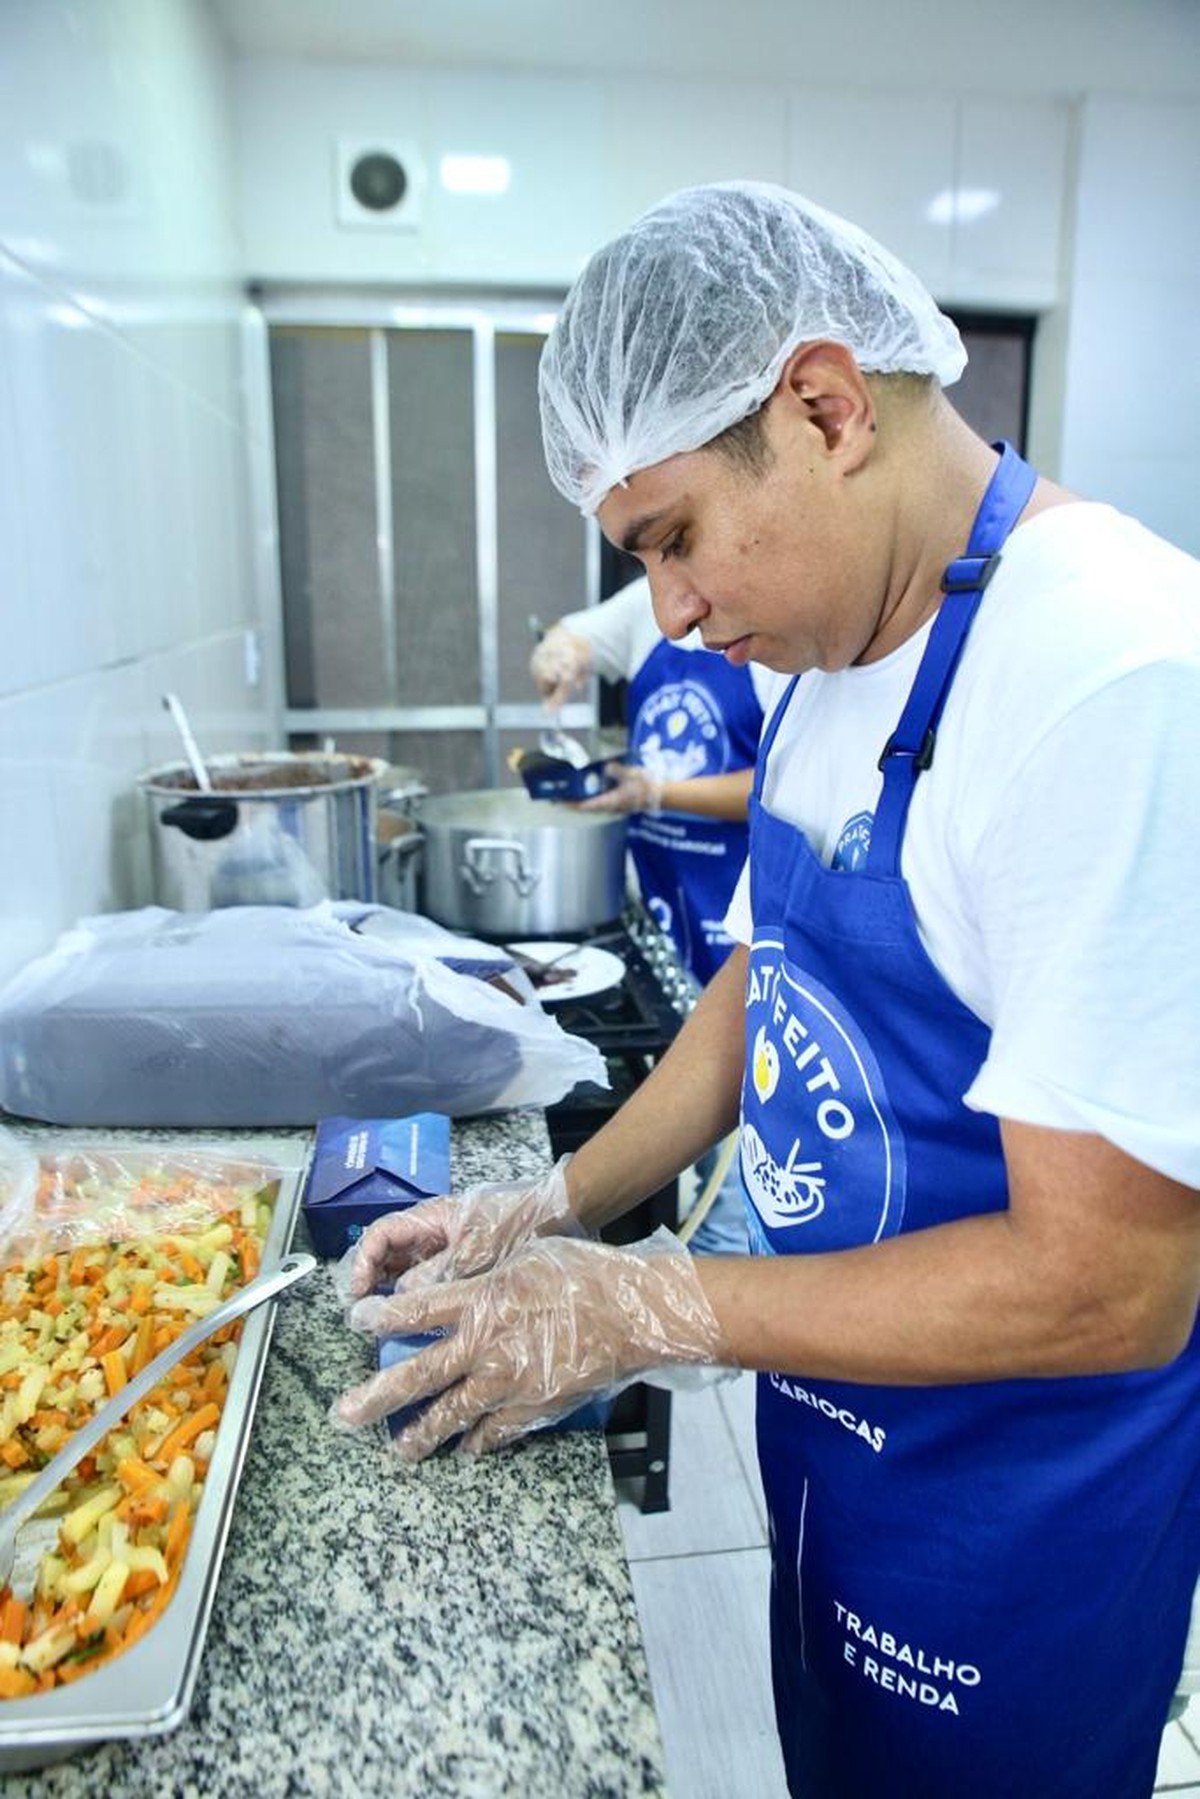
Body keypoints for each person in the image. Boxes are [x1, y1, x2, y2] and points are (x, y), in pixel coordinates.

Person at [332, 181, 1200, 1799]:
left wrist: (653, 1304)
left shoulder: (1112, 675)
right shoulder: (829, 648)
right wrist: (556, 1206)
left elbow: (1108, 1281)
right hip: (835, 1436)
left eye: (672, 538)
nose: (667, 610)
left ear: (825, 407)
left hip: (1015, 1529)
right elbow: (764, 982)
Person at [531, 575, 773, 1251]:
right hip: (666, 904)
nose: (675, 599)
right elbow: (578, 634)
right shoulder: (652, 603)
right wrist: (558, 652)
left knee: (738, 1145)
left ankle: (723, 1268)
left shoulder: (773, 616)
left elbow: (781, 781)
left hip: (739, 917)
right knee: (687, 1107)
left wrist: (657, 791)